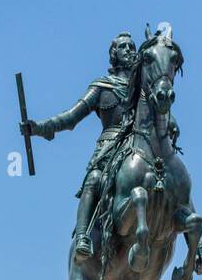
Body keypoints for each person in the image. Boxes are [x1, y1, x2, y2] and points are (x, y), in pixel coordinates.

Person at [23, 33, 138, 263]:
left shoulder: (143, 86)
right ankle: (83, 236)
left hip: (139, 142)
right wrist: (40, 127)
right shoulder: (101, 87)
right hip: (110, 145)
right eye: (123, 47)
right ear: (114, 54)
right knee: (94, 179)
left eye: (131, 46)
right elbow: (72, 116)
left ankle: (196, 245)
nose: (128, 50)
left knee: (170, 172)